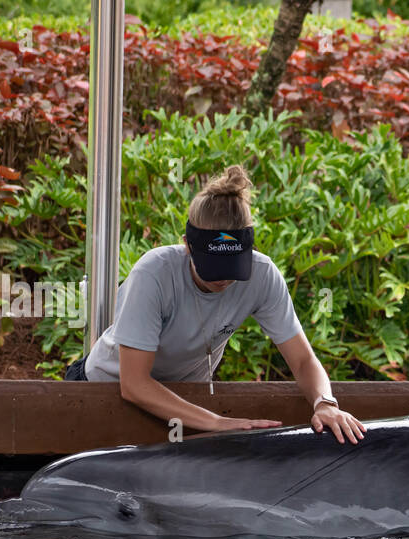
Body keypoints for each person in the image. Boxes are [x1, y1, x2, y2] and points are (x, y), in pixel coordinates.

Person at [65, 165, 365, 445]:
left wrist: (325, 403)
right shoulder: (153, 273)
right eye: (212, 266)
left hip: (185, 402)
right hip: (106, 390)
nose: (223, 279)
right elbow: (134, 384)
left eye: (232, 268)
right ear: (187, 244)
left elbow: (302, 360)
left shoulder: (263, 275)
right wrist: (216, 422)